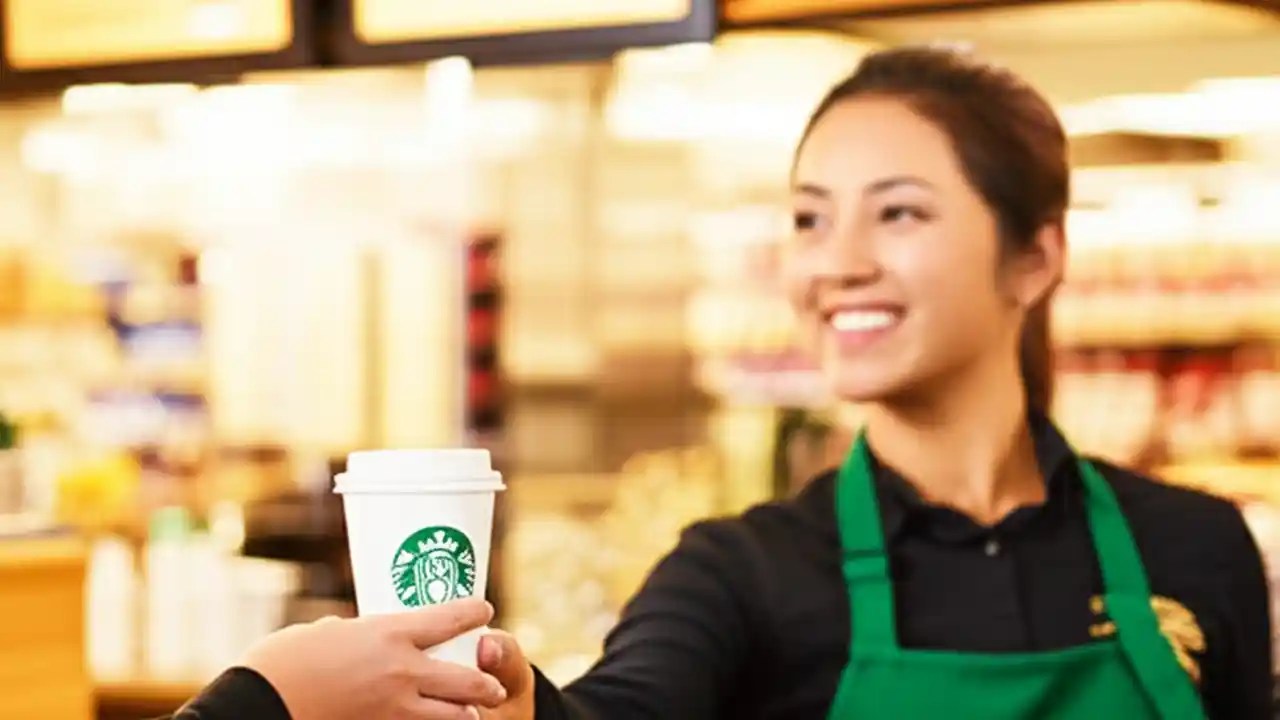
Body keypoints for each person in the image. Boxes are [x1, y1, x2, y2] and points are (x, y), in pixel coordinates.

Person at [164, 45, 1273, 720]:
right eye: (806, 217)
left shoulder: (1196, 548)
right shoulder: (742, 577)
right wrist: (498, 701)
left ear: (1034, 256)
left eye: (897, 211)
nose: (833, 262)